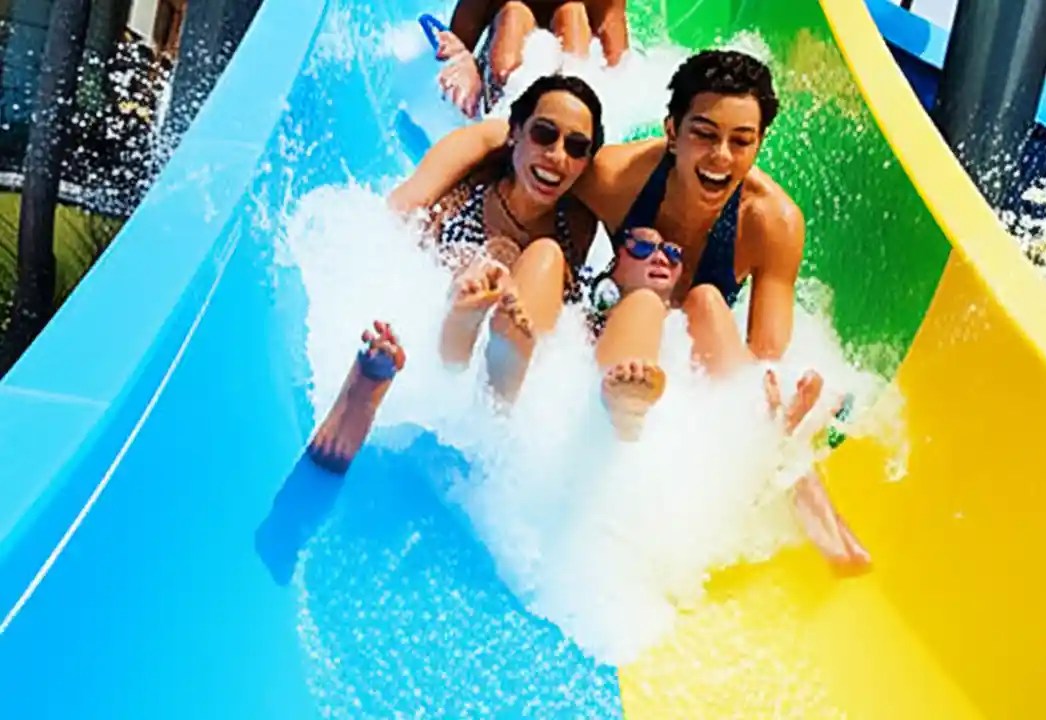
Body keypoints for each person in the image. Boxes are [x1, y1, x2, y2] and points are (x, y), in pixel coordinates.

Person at [412, 50, 806, 440]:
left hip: (682, 362)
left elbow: (767, 357)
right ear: (672, 131)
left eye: (741, 141)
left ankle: (668, 419)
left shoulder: (773, 223)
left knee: (706, 301)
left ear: (759, 143)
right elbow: (535, 151)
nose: (721, 156)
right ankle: (508, 380)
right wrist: (435, 204)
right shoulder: (614, 178)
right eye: (704, 134)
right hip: (611, 332)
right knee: (570, 269)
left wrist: (771, 411)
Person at [307, 74, 606, 473]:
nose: (557, 155)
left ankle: (495, 352)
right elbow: (394, 219)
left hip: (519, 338)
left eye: (576, 146)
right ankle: (382, 375)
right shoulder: (476, 168)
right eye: (544, 134)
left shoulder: (581, 220)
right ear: (514, 132)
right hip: (442, 299)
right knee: (472, 277)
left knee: (544, 260)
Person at [590, 226, 871, 574]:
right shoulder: (601, 320)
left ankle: (773, 423)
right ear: (613, 263)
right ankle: (778, 430)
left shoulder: (686, 326)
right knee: (768, 423)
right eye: (643, 247)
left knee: (708, 302)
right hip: (637, 459)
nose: (660, 256)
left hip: (702, 457)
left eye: (672, 252)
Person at [435, 0, 630, 117]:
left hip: (571, 40)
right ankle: (500, 111)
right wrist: (465, 65)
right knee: (514, 16)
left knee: (572, 16)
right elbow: (455, 44)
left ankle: (566, 117)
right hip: (505, 50)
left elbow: (618, 65)